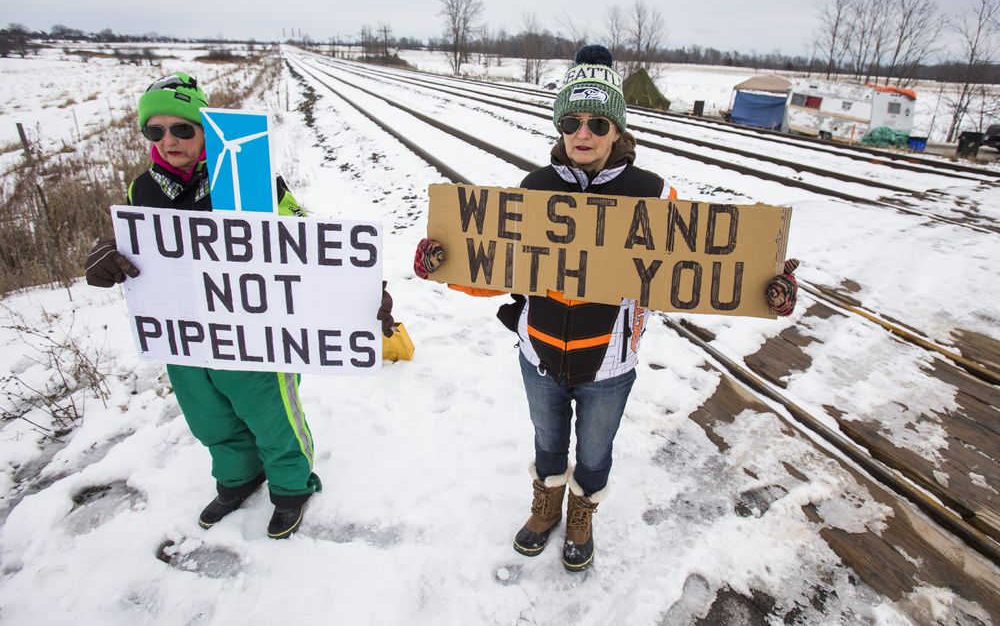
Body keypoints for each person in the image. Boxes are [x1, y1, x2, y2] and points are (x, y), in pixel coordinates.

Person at [413, 46, 798, 571]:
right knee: (548, 445)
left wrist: (763, 286)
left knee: (594, 454)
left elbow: (705, 268)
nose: (583, 133)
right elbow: (498, 271)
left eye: (597, 121)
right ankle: (547, 504)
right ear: (560, 127)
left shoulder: (655, 197)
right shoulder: (534, 190)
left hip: (609, 366)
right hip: (540, 354)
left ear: (618, 129)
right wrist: (446, 264)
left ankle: (581, 513)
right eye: (571, 121)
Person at [84, 72, 395, 539]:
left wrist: (362, 288)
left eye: (182, 129)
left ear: (204, 128)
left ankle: (292, 486)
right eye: (156, 131)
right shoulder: (141, 191)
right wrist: (105, 258)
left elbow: (304, 240)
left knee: (271, 413)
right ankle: (237, 477)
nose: (168, 140)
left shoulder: (247, 179)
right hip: (185, 333)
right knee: (209, 416)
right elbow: (138, 253)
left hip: (251, 331)